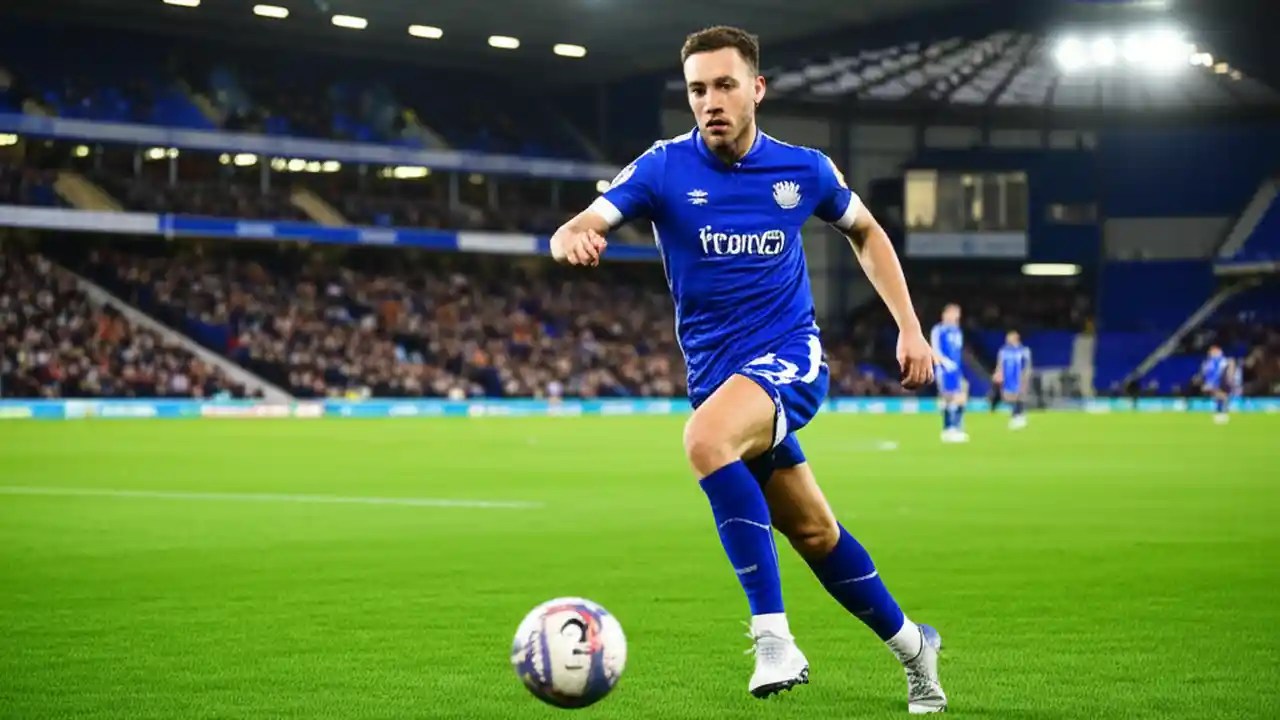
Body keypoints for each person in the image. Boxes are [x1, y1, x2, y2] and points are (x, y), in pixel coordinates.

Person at [549, 25, 946, 714]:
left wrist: (910, 327)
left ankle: (773, 637)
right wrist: (571, 236)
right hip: (721, 381)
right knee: (815, 533)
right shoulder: (662, 168)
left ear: (756, 89)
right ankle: (916, 648)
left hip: (791, 357)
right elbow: (588, 218)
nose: (711, 101)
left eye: (726, 85)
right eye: (698, 89)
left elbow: (867, 231)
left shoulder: (805, 170)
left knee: (704, 440)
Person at [930, 304, 968, 442]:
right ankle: (948, 428)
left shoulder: (957, 331)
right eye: (953, 313)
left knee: (960, 396)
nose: (956, 317)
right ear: (945, 314)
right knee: (948, 397)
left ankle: (956, 427)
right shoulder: (939, 330)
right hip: (944, 369)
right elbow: (935, 349)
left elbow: (958, 352)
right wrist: (945, 363)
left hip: (956, 370)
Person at [993, 330, 1032, 430]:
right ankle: (1017, 416)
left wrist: (1025, 376)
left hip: (1020, 377)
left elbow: (1027, 365)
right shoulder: (1003, 351)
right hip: (1008, 378)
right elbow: (1000, 363)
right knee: (1010, 397)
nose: (1007, 340)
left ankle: (1018, 416)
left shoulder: (1024, 350)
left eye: (1009, 338)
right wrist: (998, 373)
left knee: (1020, 397)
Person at [1200, 345, 1229, 424]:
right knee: (1219, 396)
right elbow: (1206, 373)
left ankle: (1222, 413)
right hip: (1213, 381)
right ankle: (1221, 413)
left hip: (1220, 381)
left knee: (1221, 396)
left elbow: (1220, 371)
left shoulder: (1221, 360)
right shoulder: (1209, 361)